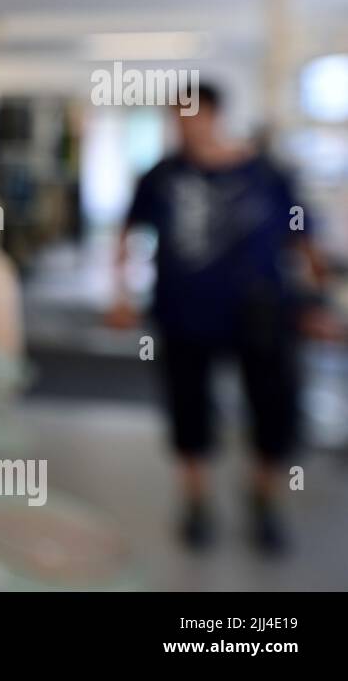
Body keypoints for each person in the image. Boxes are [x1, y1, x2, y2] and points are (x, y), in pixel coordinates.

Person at [106, 81, 338, 555]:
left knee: (272, 412)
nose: (184, 126)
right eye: (176, 118)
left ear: (214, 115)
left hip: (262, 315)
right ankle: (196, 502)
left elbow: (304, 240)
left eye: (191, 115)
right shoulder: (161, 177)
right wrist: (123, 295)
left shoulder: (269, 175)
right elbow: (127, 235)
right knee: (189, 411)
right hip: (184, 314)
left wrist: (320, 304)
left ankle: (265, 501)